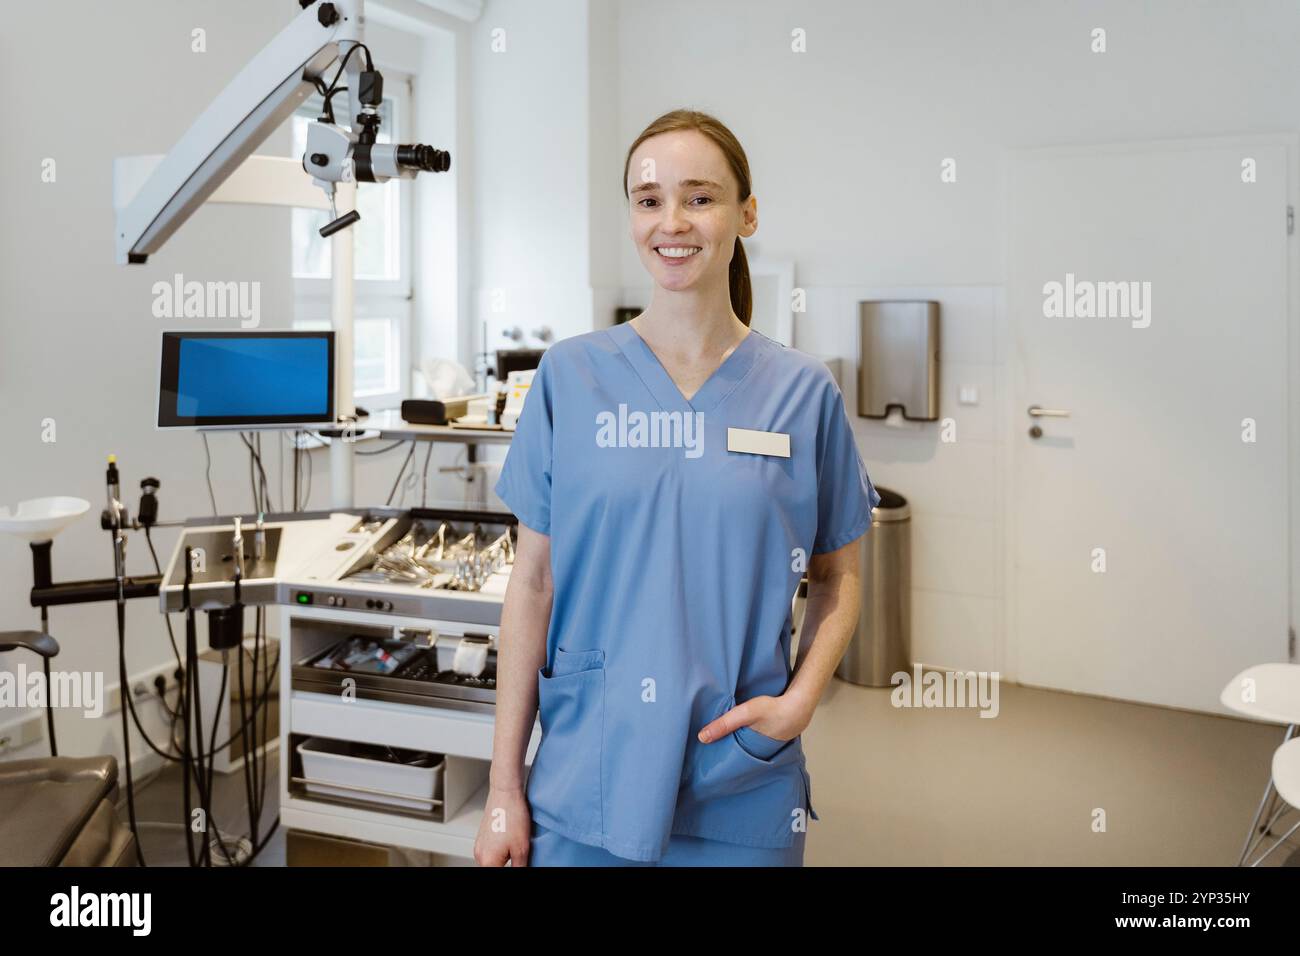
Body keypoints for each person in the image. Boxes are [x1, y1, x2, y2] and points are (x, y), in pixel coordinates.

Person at [473, 108, 880, 867]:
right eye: (649, 198)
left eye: (700, 197)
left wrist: (797, 705)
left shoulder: (801, 392)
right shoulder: (571, 376)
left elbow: (839, 577)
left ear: (745, 214)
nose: (673, 222)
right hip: (585, 773)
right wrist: (503, 789)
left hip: (739, 776)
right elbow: (532, 585)